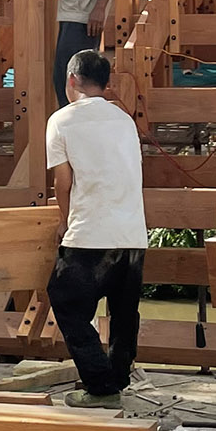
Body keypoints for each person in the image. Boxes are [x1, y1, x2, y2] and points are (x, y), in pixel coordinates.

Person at [45, 47, 148, 408]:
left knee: (66, 301)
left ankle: (101, 387)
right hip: (133, 233)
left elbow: (62, 181)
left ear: (72, 79)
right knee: (123, 312)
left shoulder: (63, 120)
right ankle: (117, 379)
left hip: (91, 231)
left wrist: (63, 221)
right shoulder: (124, 120)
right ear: (107, 83)